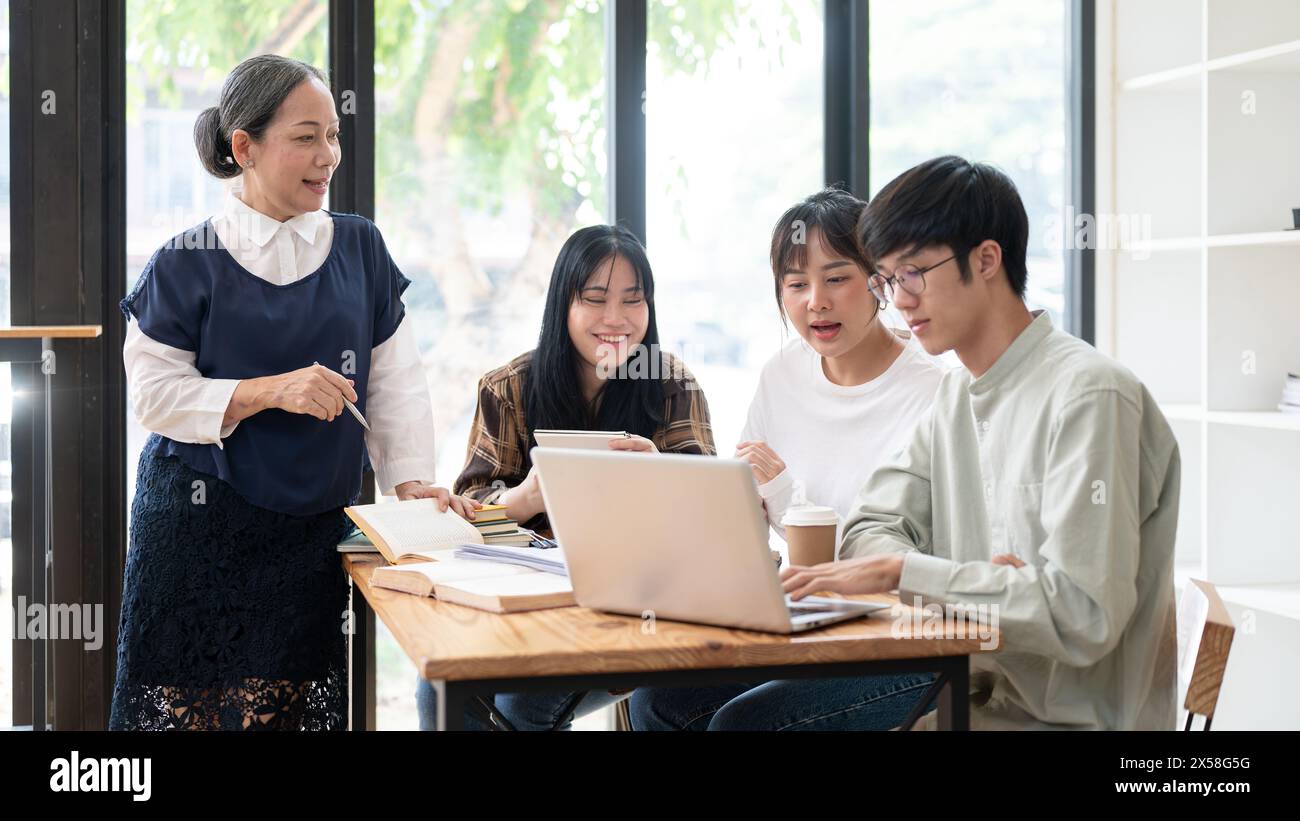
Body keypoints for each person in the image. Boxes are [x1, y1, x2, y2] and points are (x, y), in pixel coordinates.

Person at [111, 54, 477, 731]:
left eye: (333, 135)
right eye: (306, 137)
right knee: (188, 716)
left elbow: (396, 385)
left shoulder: (361, 248)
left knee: (284, 714)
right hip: (197, 525)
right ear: (244, 147)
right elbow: (154, 397)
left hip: (309, 534)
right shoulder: (184, 260)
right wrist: (270, 390)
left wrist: (411, 482)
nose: (328, 155)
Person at [781, 156, 1180, 730]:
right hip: (967, 696)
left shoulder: (1091, 394)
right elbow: (868, 530)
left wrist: (913, 574)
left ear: (987, 259)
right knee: (678, 704)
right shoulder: (958, 395)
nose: (899, 300)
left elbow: (1082, 615)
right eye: (889, 279)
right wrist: (987, 585)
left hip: (1059, 722)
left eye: (914, 273)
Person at [630, 187, 945, 730]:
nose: (815, 301)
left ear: (879, 281)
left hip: (902, 635)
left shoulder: (933, 391)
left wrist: (781, 493)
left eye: (837, 278)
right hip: (808, 619)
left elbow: (891, 560)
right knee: (657, 700)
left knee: (744, 724)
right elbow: (748, 506)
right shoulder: (782, 375)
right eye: (796, 284)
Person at [415, 223, 716, 730]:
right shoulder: (509, 386)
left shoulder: (669, 383)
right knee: (439, 687)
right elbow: (470, 507)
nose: (615, 319)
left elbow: (713, 509)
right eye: (595, 299)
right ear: (563, 305)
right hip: (531, 605)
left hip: (641, 607)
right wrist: (527, 496)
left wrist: (661, 477)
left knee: (522, 702)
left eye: (632, 301)